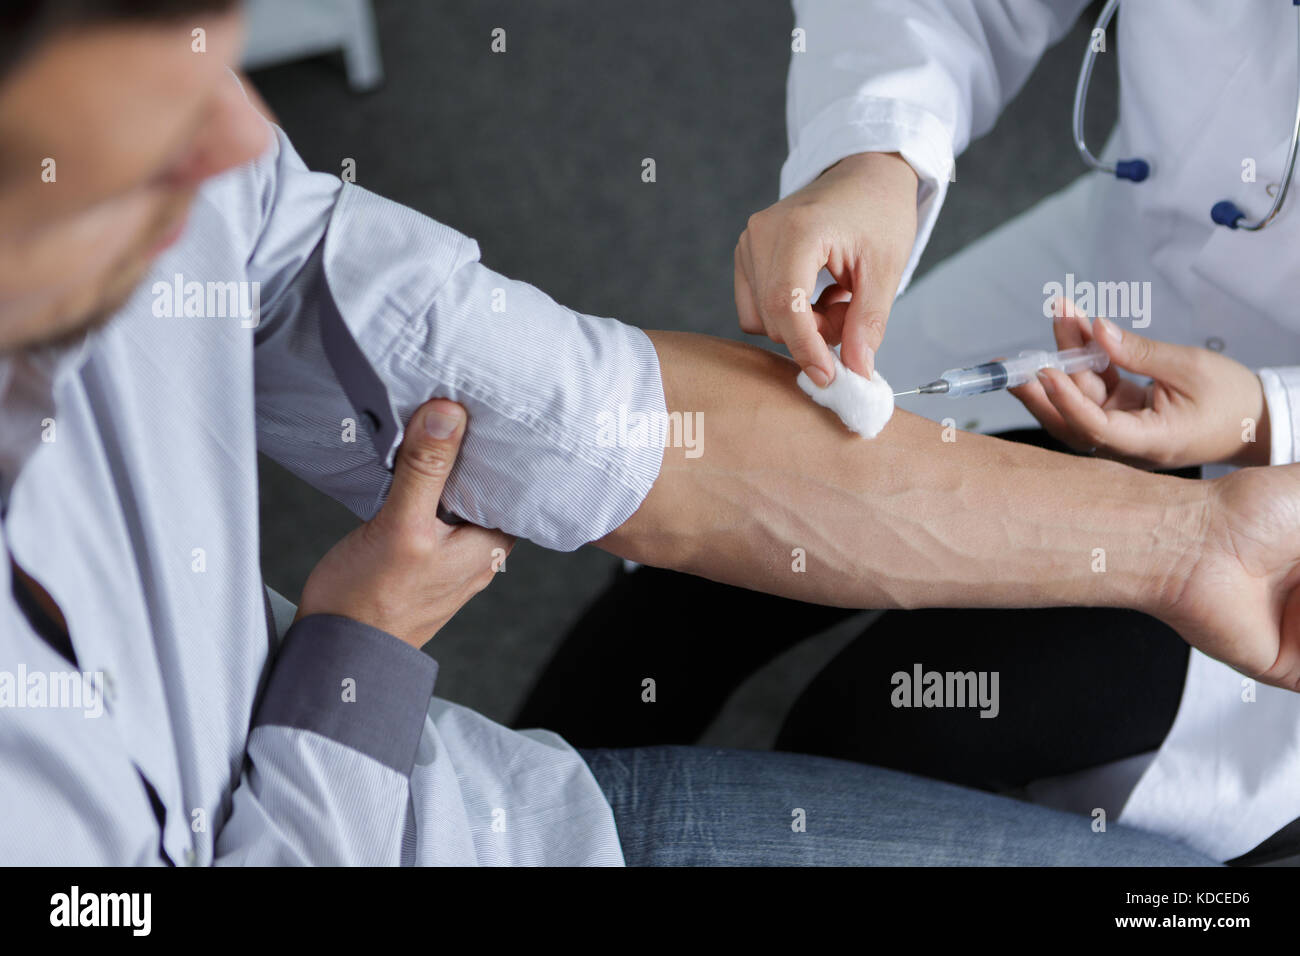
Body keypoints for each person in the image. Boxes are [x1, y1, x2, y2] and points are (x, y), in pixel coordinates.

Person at [1, 0, 1295, 865]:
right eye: (149, 138)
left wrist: (1202, 532)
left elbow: (553, 396)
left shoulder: (198, 184)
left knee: (780, 639)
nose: (245, 129)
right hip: (401, 815)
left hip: (491, 803)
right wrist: (351, 669)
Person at [525, 1, 1300, 865]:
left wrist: (1263, 414)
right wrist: (873, 156)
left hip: (1283, 552)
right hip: (1125, 279)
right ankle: (493, 828)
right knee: (695, 552)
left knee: (886, 716)